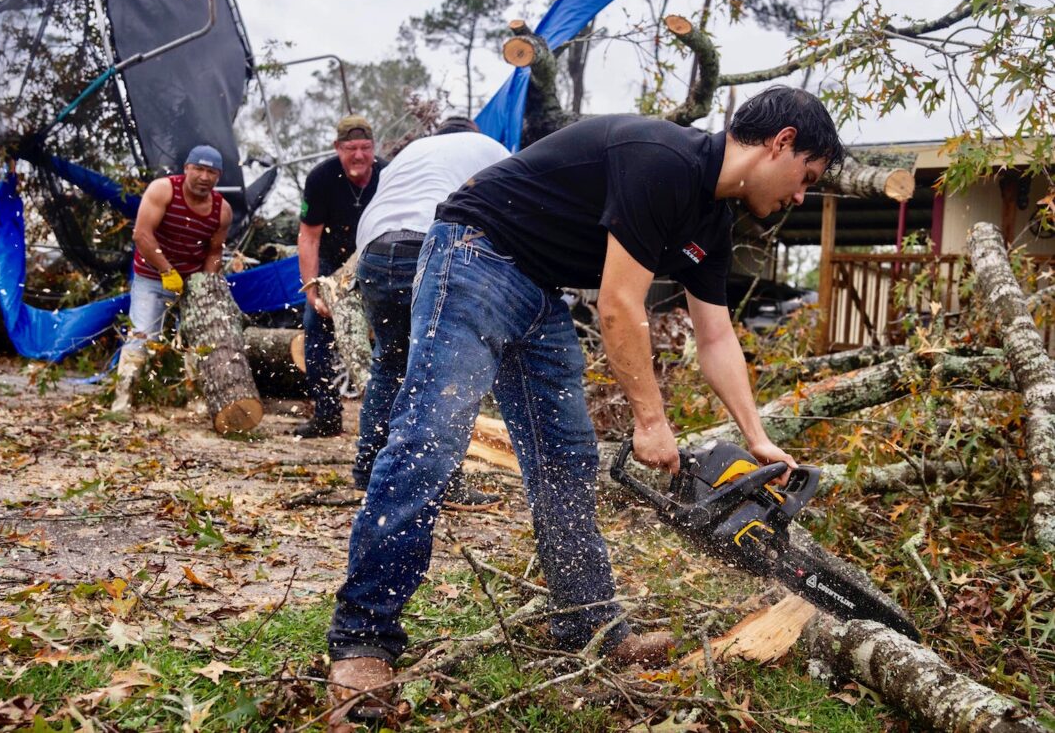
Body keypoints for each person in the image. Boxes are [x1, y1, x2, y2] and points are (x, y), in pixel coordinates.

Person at [325, 86, 844, 716]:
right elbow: (619, 305)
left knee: (565, 463)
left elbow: (716, 335)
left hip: (540, 287)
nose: (798, 195)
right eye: (805, 177)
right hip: (475, 254)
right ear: (782, 142)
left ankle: (588, 624)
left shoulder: (711, 221)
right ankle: (363, 638)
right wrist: (651, 422)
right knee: (430, 441)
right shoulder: (663, 158)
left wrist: (756, 436)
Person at [351, 116, 510, 506]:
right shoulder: (491, 149)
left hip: (372, 251)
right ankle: (441, 479)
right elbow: (514, 212)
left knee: (389, 361)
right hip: (426, 245)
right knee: (449, 367)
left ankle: (369, 468)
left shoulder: (410, 152)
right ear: (473, 135)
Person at [112, 145, 232, 413]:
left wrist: (205, 284)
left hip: (192, 280)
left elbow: (214, 251)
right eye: (198, 169)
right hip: (151, 276)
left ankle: (197, 401)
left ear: (218, 176)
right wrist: (166, 270)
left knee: (196, 340)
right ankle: (123, 400)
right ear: (187, 168)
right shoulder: (163, 190)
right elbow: (142, 234)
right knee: (141, 335)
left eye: (210, 172)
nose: (203, 176)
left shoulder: (221, 210)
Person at [294, 115, 387, 438]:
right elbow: (308, 237)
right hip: (333, 264)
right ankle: (326, 414)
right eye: (350, 148)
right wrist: (312, 289)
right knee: (315, 328)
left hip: (377, 259)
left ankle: (385, 417)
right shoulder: (321, 178)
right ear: (337, 148)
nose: (359, 155)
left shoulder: (389, 175)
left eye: (365, 147)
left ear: (374, 148)